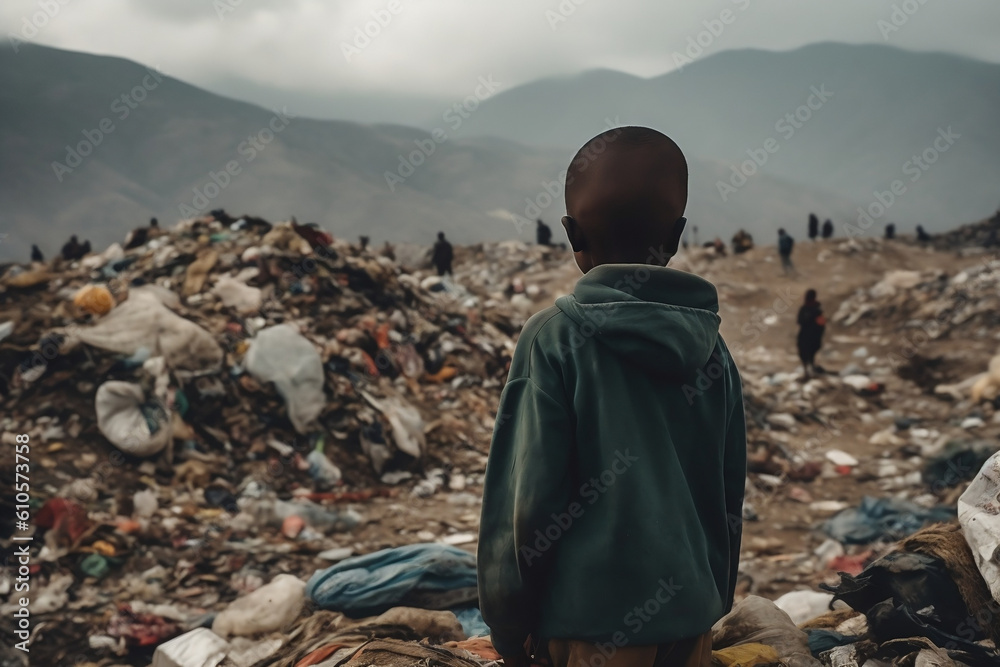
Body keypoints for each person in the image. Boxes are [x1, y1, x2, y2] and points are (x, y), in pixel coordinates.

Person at [479, 127, 746, 667]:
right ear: (676, 236)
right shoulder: (712, 348)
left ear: (572, 233)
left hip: (589, 630)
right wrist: (706, 607)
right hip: (689, 626)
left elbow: (527, 506)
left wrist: (508, 628)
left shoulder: (553, 338)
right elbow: (726, 498)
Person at [797, 289, 826, 378]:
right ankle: (807, 372)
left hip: (813, 337)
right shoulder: (804, 309)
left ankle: (810, 372)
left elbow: (821, 324)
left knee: (811, 355)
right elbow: (799, 321)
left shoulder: (817, 311)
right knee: (803, 354)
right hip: (804, 336)